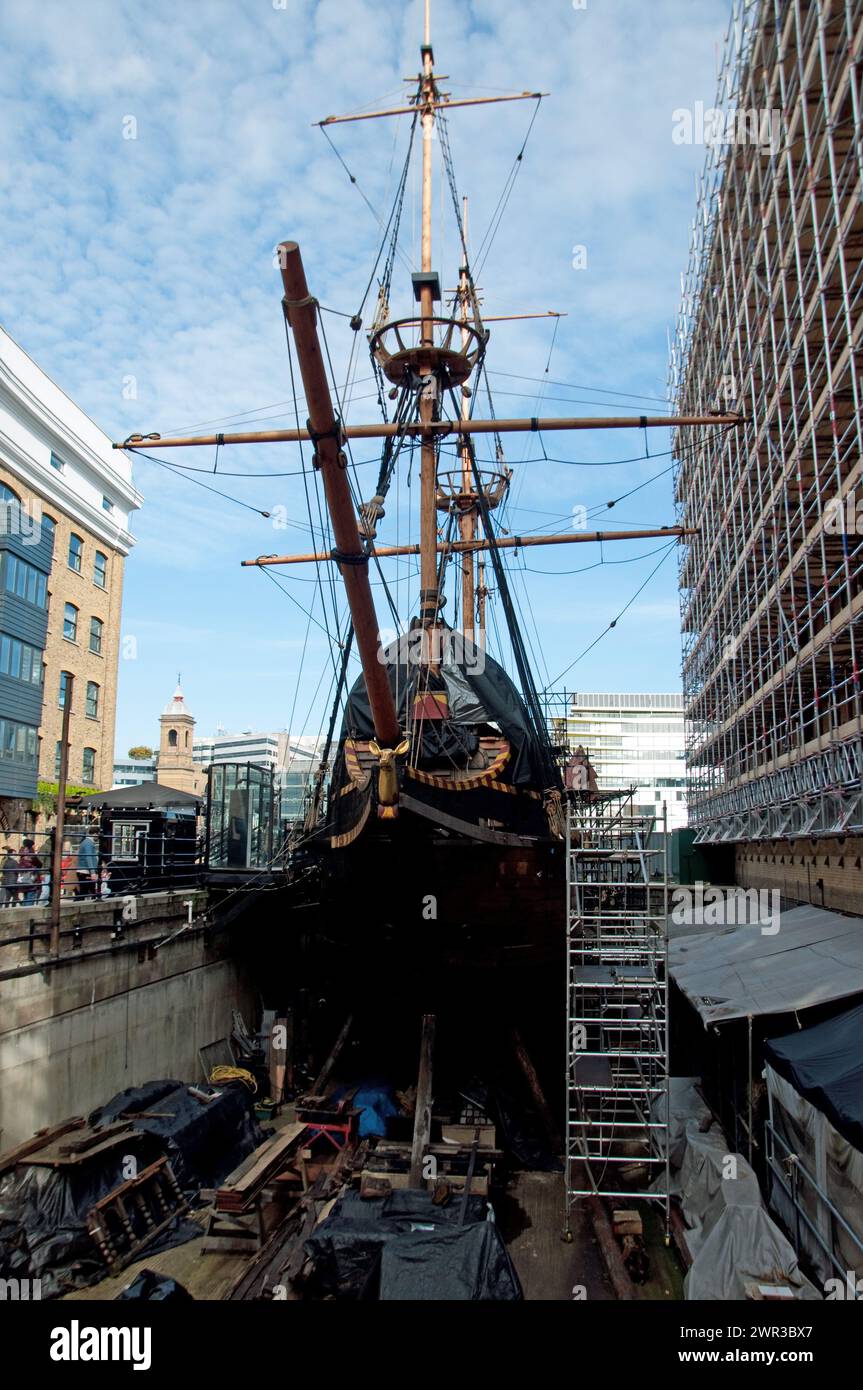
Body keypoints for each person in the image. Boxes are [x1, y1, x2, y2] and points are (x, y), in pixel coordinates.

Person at [18, 839, 42, 906]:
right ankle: (27, 913)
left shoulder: (21, 854)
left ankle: (23, 912)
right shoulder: (31, 855)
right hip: (31, 878)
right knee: (30, 896)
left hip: (23, 879)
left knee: (25, 896)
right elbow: (39, 864)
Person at [76, 829, 99, 898]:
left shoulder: (86, 842)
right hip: (85, 871)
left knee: (87, 891)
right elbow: (88, 857)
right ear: (94, 834)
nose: (98, 837)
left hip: (84, 871)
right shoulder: (88, 843)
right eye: (98, 835)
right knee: (88, 892)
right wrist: (92, 872)